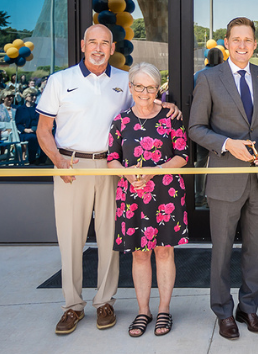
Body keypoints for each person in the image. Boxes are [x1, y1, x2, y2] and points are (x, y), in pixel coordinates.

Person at [35, 24, 180, 335]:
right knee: (71, 239)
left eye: (105, 43)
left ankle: (105, 301)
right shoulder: (61, 81)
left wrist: (167, 105)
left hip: (113, 167)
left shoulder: (123, 81)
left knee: (109, 240)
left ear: (113, 48)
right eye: (93, 42)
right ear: (83, 44)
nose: (98, 48)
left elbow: (146, 104)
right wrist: (59, 162)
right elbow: (43, 130)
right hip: (71, 164)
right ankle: (73, 306)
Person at [188, 17, 258, 340]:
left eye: (248, 40)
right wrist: (227, 145)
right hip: (226, 177)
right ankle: (223, 311)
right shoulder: (208, 78)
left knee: (256, 247)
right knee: (222, 250)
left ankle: (248, 307)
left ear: (256, 44)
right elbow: (195, 128)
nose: (242, 45)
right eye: (236, 39)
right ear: (226, 43)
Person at [106, 62, 189, 337]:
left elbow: (183, 156)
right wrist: (128, 175)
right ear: (130, 87)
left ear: (158, 88)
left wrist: (156, 170)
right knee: (139, 254)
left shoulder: (171, 118)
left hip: (165, 193)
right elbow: (112, 159)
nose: (144, 92)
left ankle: (164, 309)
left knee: (164, 251)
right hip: (132, 194)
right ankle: (144, 311)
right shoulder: (120, 120)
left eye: (150, 87)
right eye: (139, 86)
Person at [193, 47, 224, 208]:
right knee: (219, 162)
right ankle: (216, 197)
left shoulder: (198, 75)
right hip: (220, 128)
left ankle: (199, 196)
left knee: (200, 162)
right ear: (221, 59)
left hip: (202, 127)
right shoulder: (223, 76)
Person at [15, 93, 41, 165]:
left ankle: (42, 159)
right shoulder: (20, 109)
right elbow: (18, 123)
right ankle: (32, 159)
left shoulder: (39, 108)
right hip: (25, 133)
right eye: (32, 96)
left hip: (37, 130)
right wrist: (25, 130)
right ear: (26, 98)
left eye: (35, 95)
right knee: (32, 138)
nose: (34, 97)